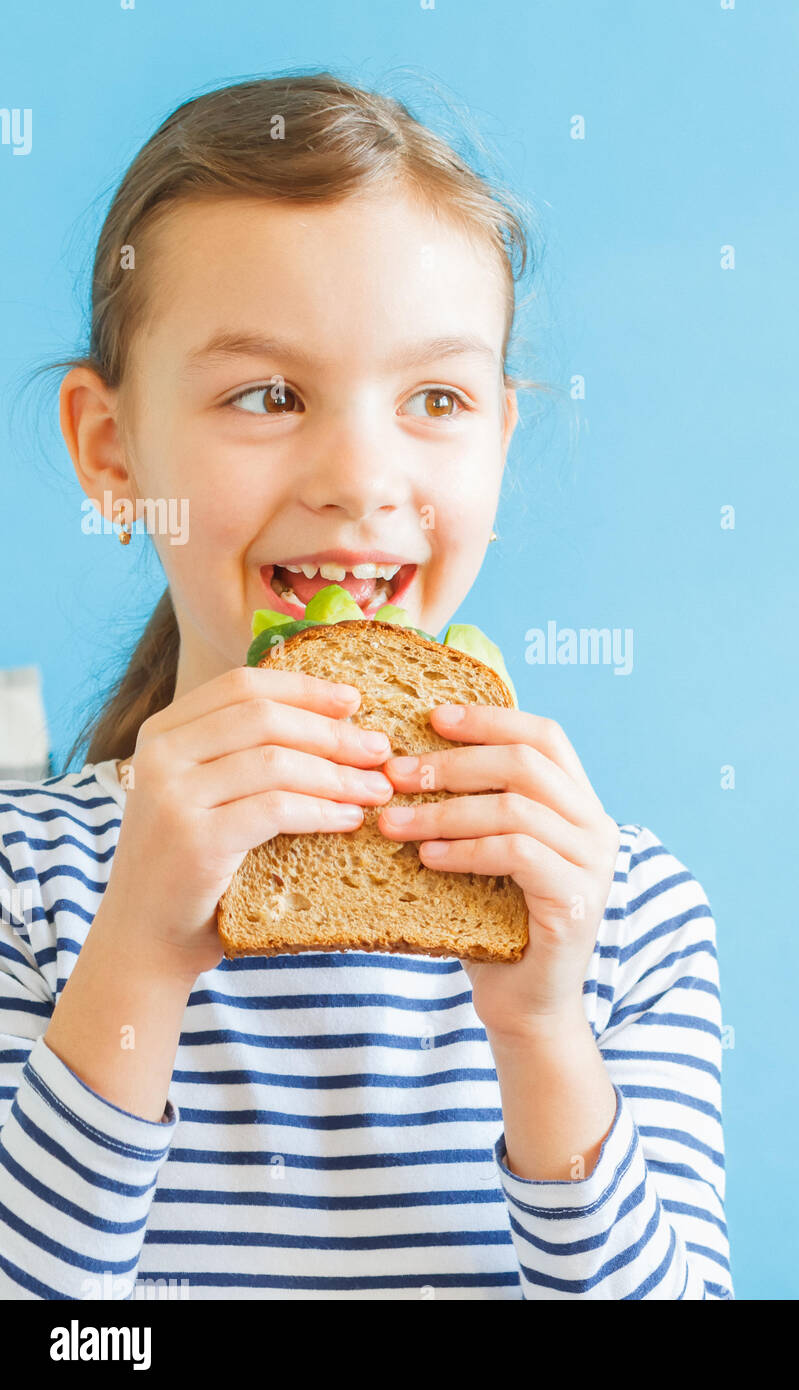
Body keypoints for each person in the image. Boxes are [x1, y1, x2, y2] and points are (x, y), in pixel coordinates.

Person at [0, 71, 731, 1300]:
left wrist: (546, 1035)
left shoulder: (623, 912)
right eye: (268, 396)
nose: (361, 477)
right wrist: (136, 951)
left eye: (435, 399)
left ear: (498, 437)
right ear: (112, 454)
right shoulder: (28, 889)